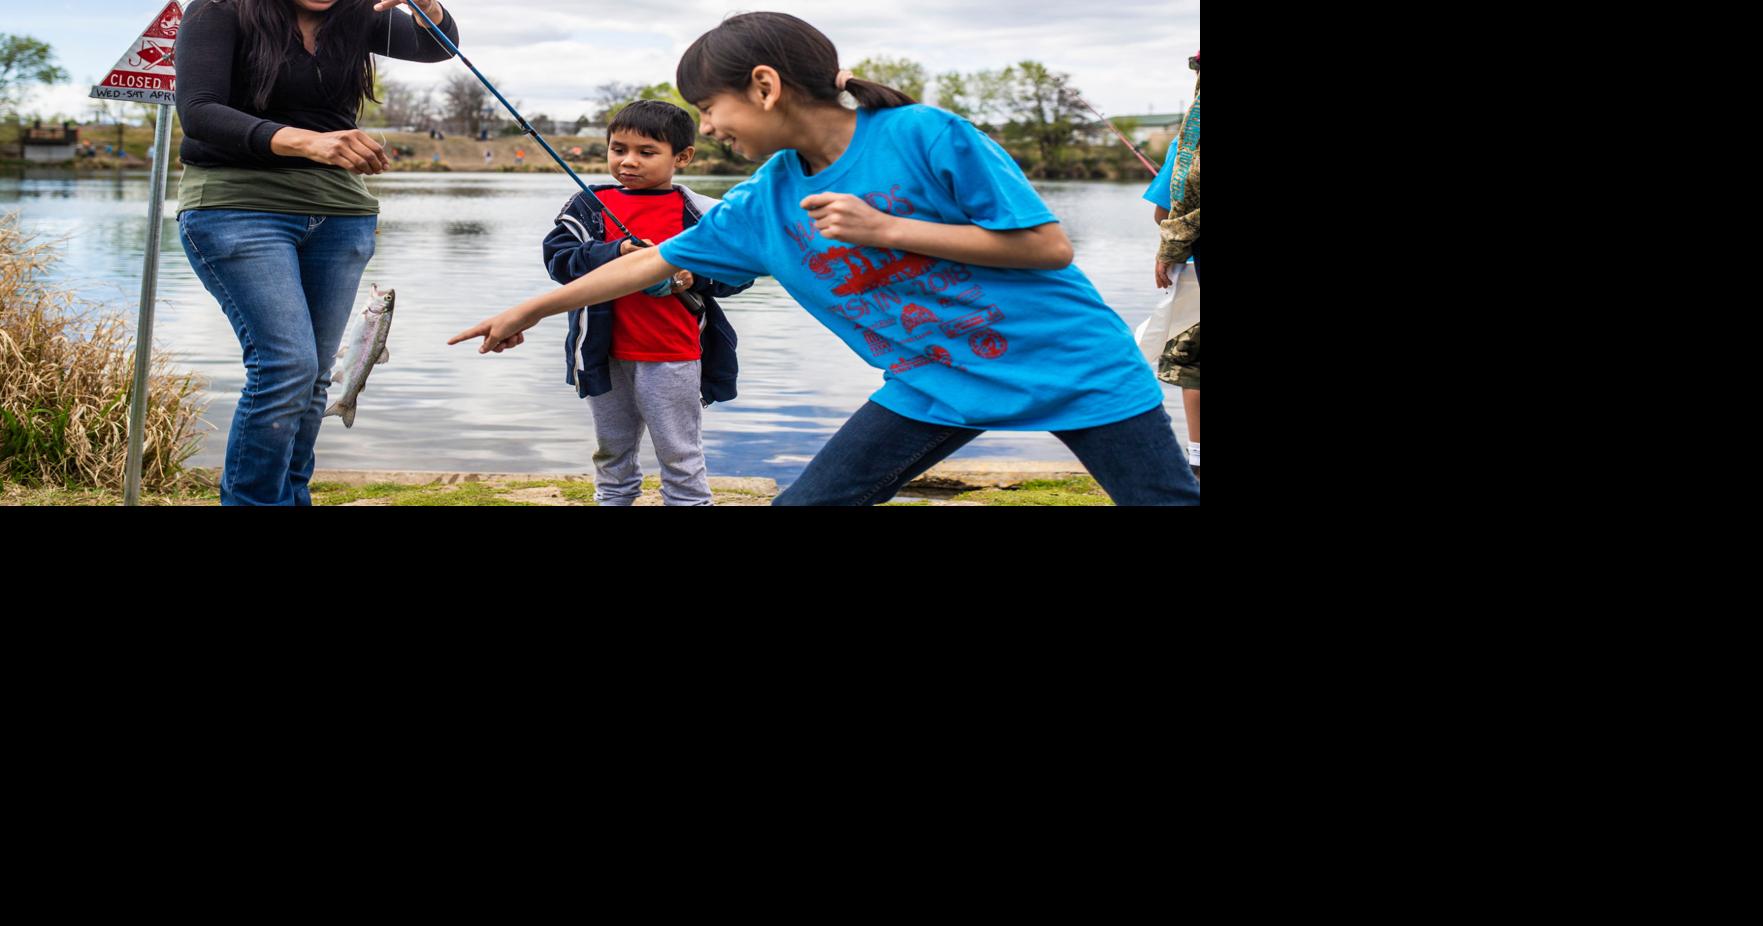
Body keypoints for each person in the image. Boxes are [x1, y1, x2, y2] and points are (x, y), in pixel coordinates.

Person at [450, 12, 1199, 506]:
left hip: (1073, 364)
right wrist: (533, 307)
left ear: (765, 87)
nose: (707, 128)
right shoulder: (763, 200)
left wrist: (887, 231)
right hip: (934, 382)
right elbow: (649, 264)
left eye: (710, 108)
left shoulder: (924, 133)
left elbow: (1046, 246)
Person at [174, 0, 460, 505]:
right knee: (286, 367)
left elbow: (439, 49)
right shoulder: (219, 10)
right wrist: (308, 142)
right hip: (238, 207)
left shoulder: (358, 17)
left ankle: (292, 496)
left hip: (340, 215)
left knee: (314, 378)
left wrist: (429, 5)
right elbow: (200, 114)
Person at [541, 100, 749, 506]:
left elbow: (736, 275)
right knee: (611, 451)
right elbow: (559, 261)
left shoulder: (701, 213)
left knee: (680, 454)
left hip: (673, 354)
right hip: (603, 354)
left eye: (646, 152)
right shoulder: (588, 206)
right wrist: (615, 251)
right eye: (618, 149)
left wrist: (692, 277)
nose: (628, 162)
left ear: (682, 157)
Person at [1153, 50, 1199, 478]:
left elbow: (1162, 211)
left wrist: (1169, 245)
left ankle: (1199, 458)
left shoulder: (1189, 139)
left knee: (1193, 361)